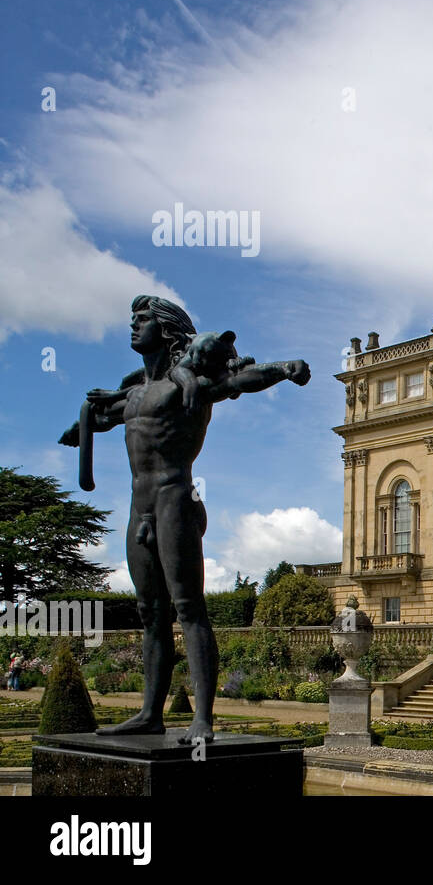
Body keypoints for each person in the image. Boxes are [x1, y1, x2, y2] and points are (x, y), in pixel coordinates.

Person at [58, 296, 310, 744]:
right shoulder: (133, 394)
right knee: (149, 613)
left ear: (168, 331)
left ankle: (202, 720)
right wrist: (83, 426)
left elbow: (241, 379)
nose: (133, 328)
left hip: (176, 498)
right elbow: (102, 417)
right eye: (132, 320)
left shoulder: (189, 384)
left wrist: (284, 369)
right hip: (140, 507)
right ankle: (150, 715)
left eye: (142, 321)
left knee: (190, 608)